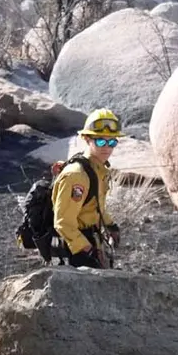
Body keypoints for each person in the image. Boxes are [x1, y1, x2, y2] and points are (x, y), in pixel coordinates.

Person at [53, 108, 121, 267]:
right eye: (100, 141)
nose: (107, 147)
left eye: (112, 142)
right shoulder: (77, 176)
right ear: (86, 139)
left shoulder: (98, 169)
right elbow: (63, 222)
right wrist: (87, 249)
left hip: (91, 237)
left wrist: (111, 225)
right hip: (74, 247)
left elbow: (96, 205)